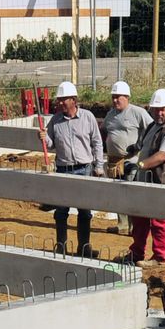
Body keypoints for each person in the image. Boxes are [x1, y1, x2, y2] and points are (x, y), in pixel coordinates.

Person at [44, 80, 105, 256]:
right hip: (63, 170)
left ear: (73, 100)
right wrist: (43, 136)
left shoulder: (88, 117)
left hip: (84, 169)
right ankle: (61, 246)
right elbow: (49, 144)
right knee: (61, 211)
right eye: (59, 100)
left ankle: (84, 247)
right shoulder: (55, 121)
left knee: (84, 211)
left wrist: (99, 166)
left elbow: (97, 142)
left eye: (64, 100)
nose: (61, 103)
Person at [124, 88, 165, 266]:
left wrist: (140, 165)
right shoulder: (152, 126)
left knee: (160, 220)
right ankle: (137, 252)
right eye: (156, 109)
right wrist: (133, 149)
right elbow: (142, 144)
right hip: (146, 181)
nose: (159, 112)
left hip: (162, 182)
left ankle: (159, 258)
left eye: (163, 109)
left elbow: (163, 155)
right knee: (139, 218)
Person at [99, 79, 146, 181]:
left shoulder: (137, 112)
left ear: (127, 97)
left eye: (117, 97)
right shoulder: (110, 114)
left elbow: (152, 127)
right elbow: (102, 130)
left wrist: (140, 142)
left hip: (131, 163)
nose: (115, 100)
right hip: (113, 164)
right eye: (113, 97)